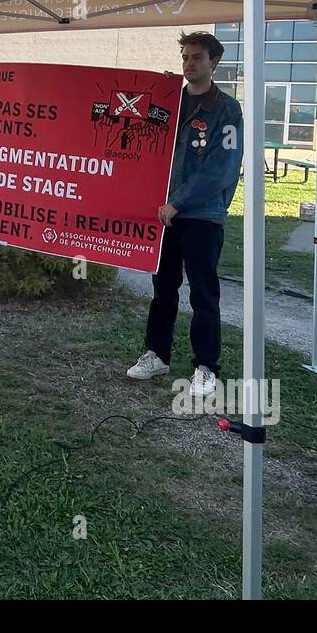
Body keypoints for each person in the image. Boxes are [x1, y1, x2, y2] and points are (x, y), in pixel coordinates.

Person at [126, 31, 243, 398]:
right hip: (164, 214)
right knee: (163, 288)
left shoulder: (227, 109)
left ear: (214, 62)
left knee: (203, 293)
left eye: (197, 57)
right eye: (186, 57)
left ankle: (206, 366)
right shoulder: (170, 104)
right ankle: (157, 353)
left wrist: (179, 202)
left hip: (201, 215)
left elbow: (221, 168)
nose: (189, 63)